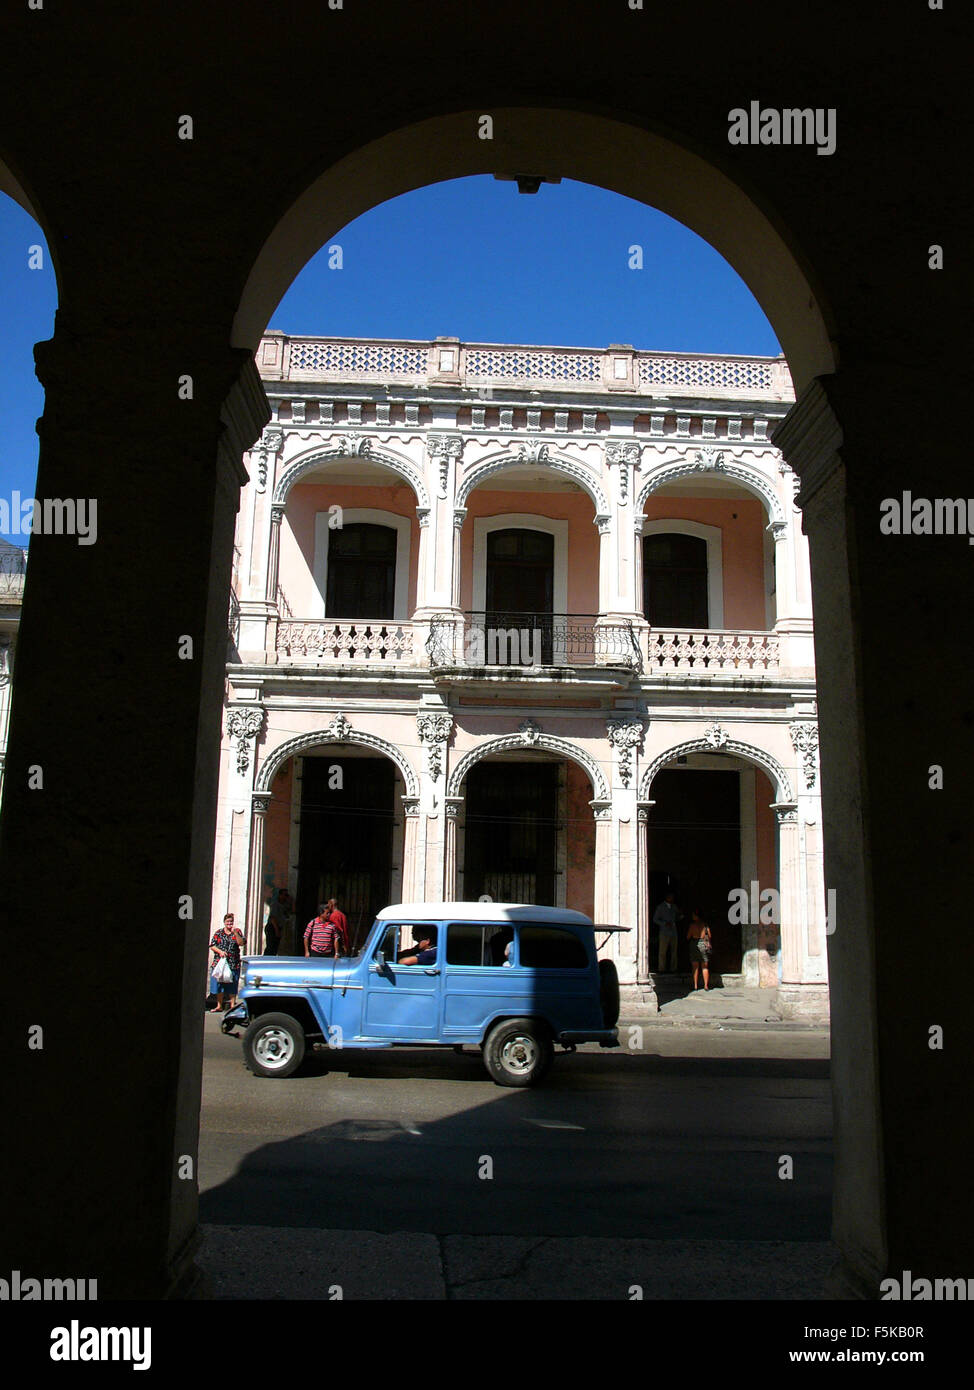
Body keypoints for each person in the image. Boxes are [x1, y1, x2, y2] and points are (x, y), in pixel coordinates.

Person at [209, 912, 244, 1011]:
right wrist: (220, 952)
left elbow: (241, 943)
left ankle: (232, 1005)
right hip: (220, 962)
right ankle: (219, 1005)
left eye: (231, 921)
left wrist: (235, 933)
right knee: (219, 984)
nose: (229, 923)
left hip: (233, 962)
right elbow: (212, 945)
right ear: (224, 922)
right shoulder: (218, 933)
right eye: (228, 921)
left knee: (233, 983)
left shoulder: (237, 931)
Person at [653, 891, 681, 972]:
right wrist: (664, 923)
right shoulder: (660, 907)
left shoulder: (674, 907)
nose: (672, 898)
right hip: (664, 932)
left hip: (673, 932)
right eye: (670, 897)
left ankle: (673, 968)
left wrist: (679, 917)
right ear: (667, 897)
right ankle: (661, 969)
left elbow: (677, 916)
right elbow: (655, 919)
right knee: (662, 952)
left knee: (674, 951)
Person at [686, 908, 713, 991]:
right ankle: (706, 985)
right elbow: (710, 936)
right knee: (705, 966)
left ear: (696, 916)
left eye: (693, 915)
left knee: (695, 966)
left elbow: (688, 936)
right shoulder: (705, 925)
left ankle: (695, 985)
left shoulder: (692, 925)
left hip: (695, 943)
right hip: (703, 944)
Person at [264, 888, 293, 956]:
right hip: (272, 928)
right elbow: (272, 918)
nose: (286, 897)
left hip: (279, 928)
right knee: (270, 947)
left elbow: (291, 912)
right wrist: (277, 930)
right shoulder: (275, 905)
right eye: (285, 895)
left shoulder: (284, 905)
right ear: (280, 895)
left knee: (275, 948)